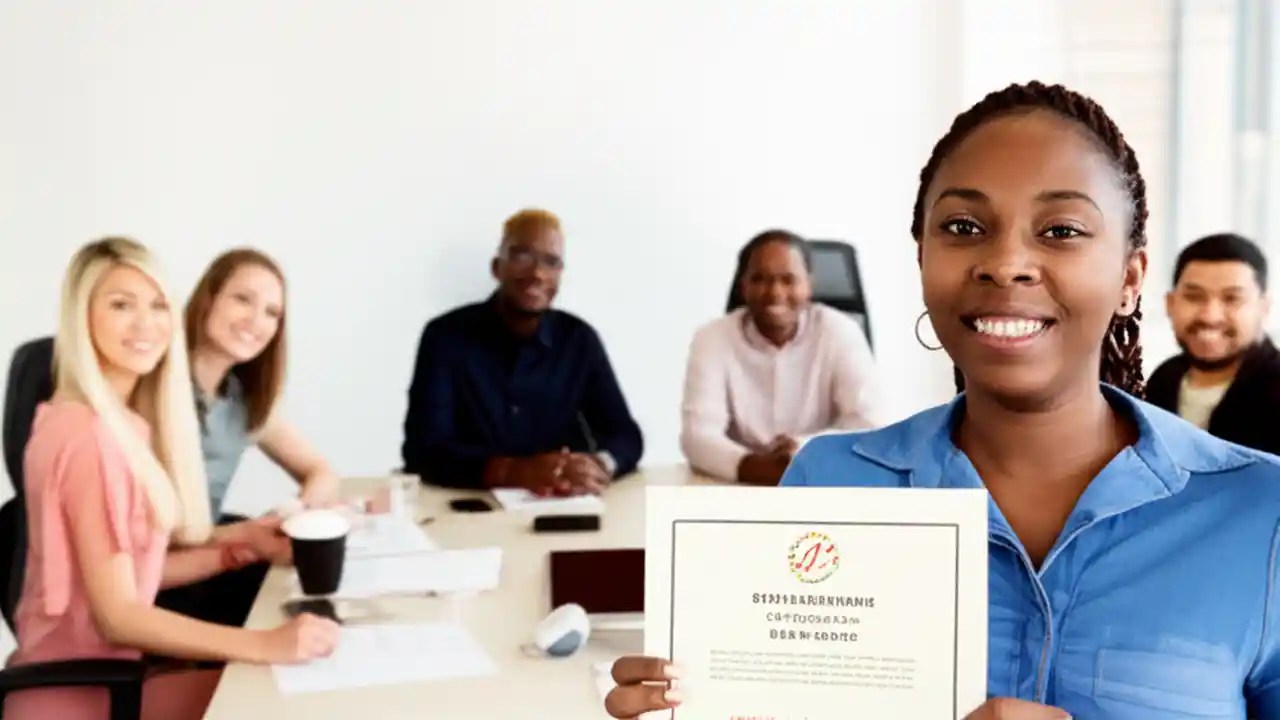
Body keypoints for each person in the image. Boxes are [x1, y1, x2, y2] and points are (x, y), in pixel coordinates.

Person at [605, 82, 1280, 719]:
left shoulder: (1260, 512)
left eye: (1061, 231)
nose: (1005, 263)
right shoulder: (829, 485)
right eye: (963, 226)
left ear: (1131, 278)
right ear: (922, 260)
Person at [7, 238, 339, 720]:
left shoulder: (108, 424)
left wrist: (239, 548)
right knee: (289, 695)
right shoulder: (90, 438)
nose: (146, 324)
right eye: (122, 305)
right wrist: (264, 643)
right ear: (82, 316)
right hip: (84, 696)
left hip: (106, 680)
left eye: (158, 305)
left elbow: (135, 574)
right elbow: (119, 617)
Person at [155, 248, 342, 629]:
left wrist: (296, 515)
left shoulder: (241, 400)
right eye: (243, 299)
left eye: (272, 313)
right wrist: (244, 535)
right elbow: (149, 538)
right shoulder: (153, 389)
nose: (256, 321)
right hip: (160, 578)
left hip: (202, 556)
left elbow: (320, 471)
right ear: (208, 299)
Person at [401, 208, 643, 494]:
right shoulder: (445, 337)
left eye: (551, 262)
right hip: (471, 505)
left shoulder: (579, 339)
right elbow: (423, 450)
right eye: (522, 256)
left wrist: (598, 464)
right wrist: (512, 472)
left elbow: (626, 436)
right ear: (496, 267)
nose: (537, 273)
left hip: (561, 501)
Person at [680, 229, 883, 484]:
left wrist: (804, 450)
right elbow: (697, 436)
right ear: (743, 286)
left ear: (809, 284)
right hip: (737, 485)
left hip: (822, 480)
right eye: (759, 279)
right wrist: (760, 470)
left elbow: (870, 424)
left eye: (788, 279)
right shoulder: (712, 337)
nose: (775, 292)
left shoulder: (839, 331)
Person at [1146, 233, 1280, 453]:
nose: (1210, 316)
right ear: (1170, 303)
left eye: (1232, 298)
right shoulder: (1162, 381)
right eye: (1194, 296)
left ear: (1264, 308)